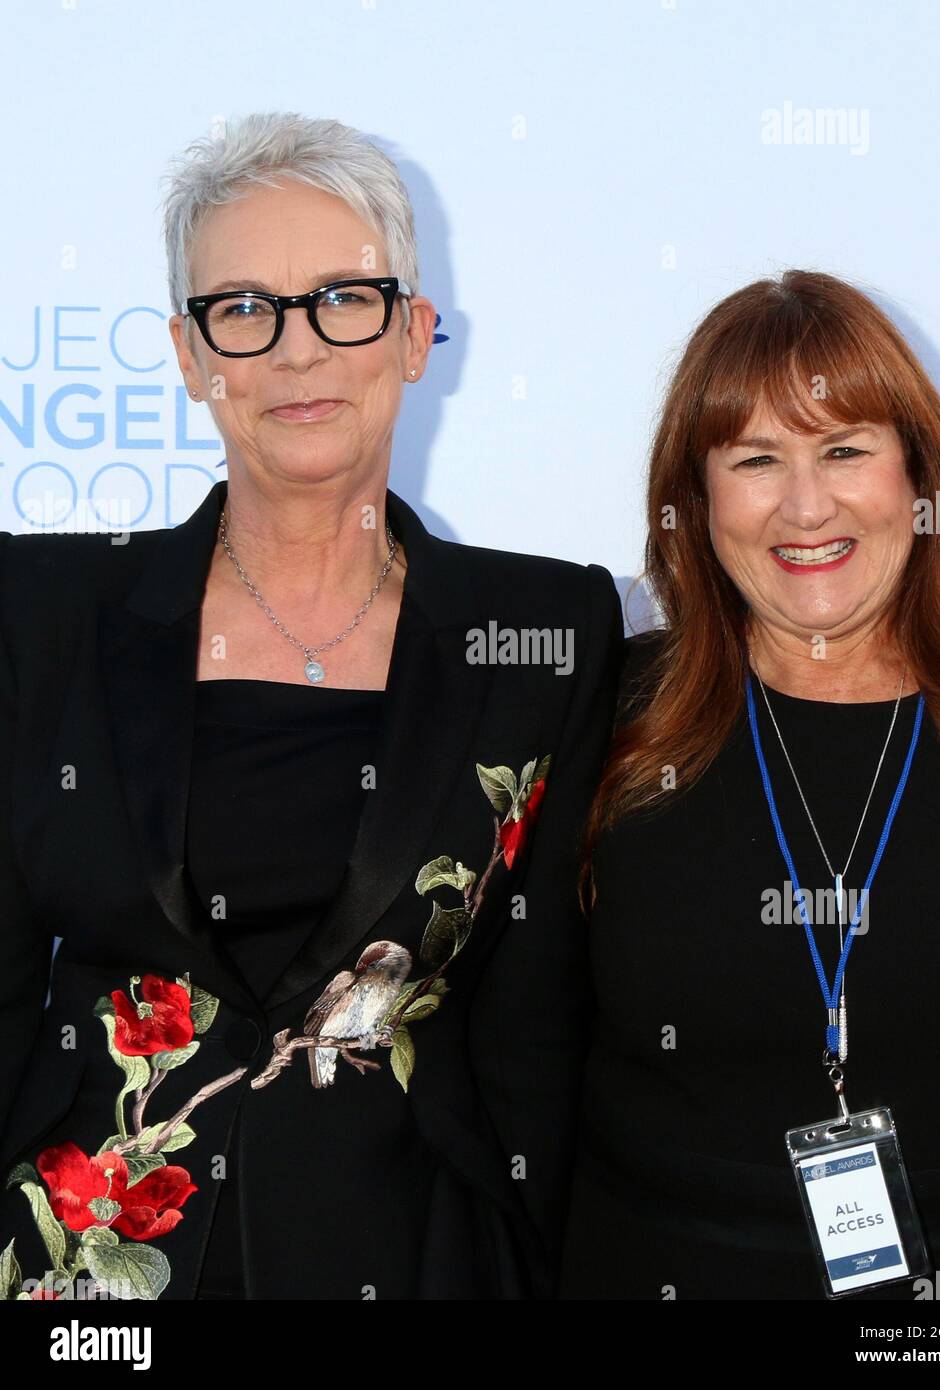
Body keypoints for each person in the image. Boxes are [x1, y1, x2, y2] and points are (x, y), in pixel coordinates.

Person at [0, 112, 623, 1301]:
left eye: (344, 296)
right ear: (190, 355)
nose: (295, 350)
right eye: (243, 308)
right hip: (90, 1274)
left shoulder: (544, 631)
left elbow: (536, 1020)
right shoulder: (44, 610)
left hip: (411, 1248)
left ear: (412, 335)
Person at [559, 269, 940, 1301]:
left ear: (917, 472)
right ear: (694, 499)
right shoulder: (605, 717)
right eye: (755, 459)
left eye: (844, 449)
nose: (806, 504)